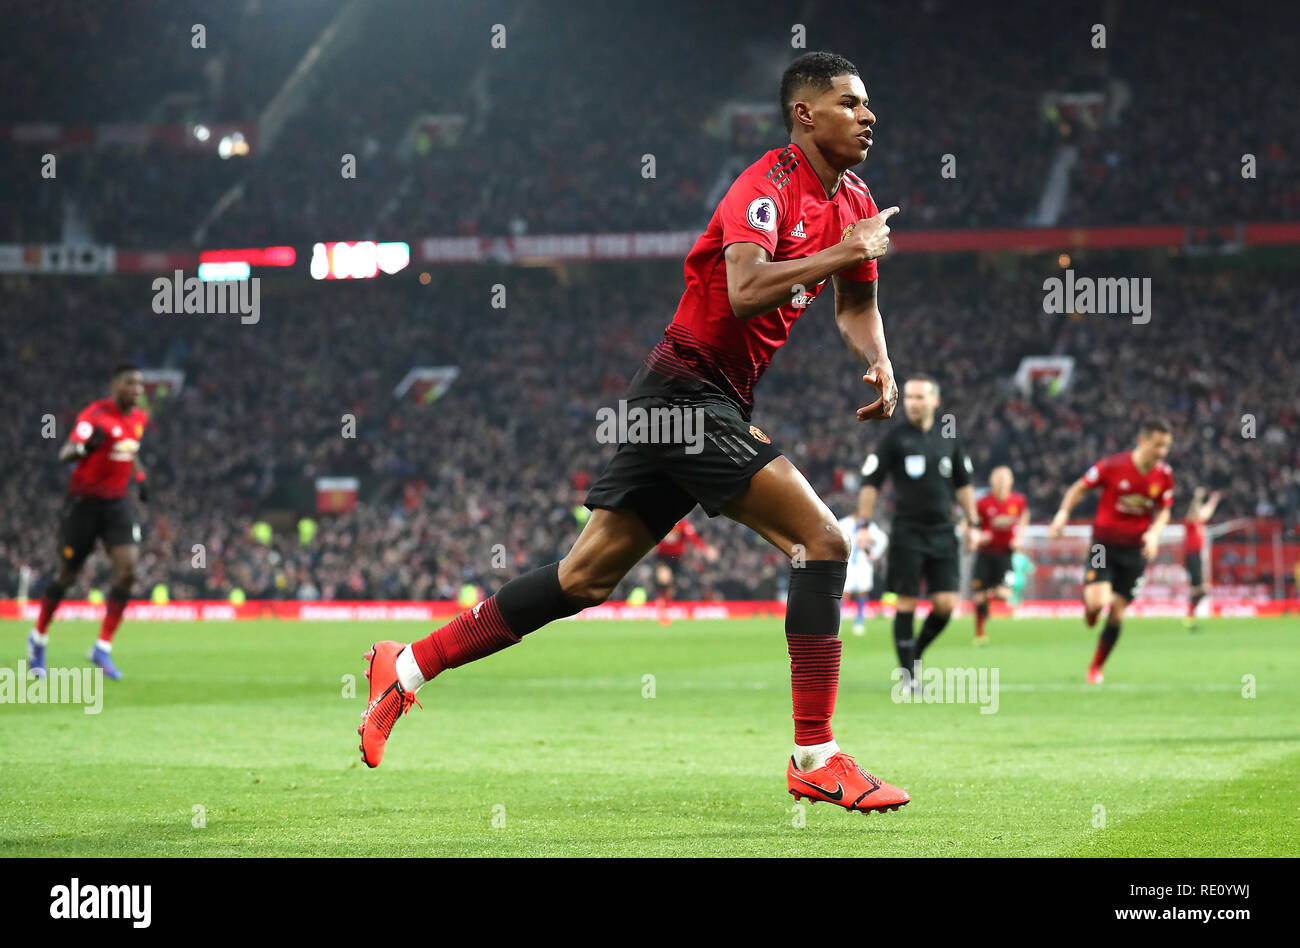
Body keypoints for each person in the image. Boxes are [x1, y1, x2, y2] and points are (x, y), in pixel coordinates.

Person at [357, 52, 911, 813]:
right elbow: (747, 291)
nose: (868, 115)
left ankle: (407, 665)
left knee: (583, 578)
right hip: (685, 393)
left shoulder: (854, 199)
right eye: (850, 103)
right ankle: (816, 755)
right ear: (804, 115)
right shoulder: (765, 188)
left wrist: (879, 361)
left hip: (692, 400)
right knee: (824, 542)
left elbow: (855, 306)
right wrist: (844, 251)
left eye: (868, 103)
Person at [27, 364, 149, 681]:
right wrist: (84, 448)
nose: (136, 389)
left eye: (139, 384)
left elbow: (130, 447)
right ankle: (38, 639)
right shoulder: (94, 416)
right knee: (67, 575)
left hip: (117, 504)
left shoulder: (139, 418)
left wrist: (140, 475)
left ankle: (102, 648)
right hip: (83, 504)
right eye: (130, 383)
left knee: (129, 570)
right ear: (114, 386)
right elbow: (65, 453)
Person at [856, 375, 977, 689]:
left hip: (943, 532)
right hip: (907, 532)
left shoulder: (949, 437)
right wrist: (863, 525)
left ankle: (916, 651)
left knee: (947, 604)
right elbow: (871, 482)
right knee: (907, 602)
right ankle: (909, 676)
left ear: (935, 401)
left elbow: (964, 486)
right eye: (908, 397)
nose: (912, 403)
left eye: (920, 397)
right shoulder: (894, 438)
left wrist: (973, 525)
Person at [1048, 419, 1174, 683]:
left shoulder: (1164, 475)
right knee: (1097, 603)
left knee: (1117, 611)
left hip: (1136, 551)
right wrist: (1062, 514)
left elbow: (1164, 509)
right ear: (1143, 441)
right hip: (1103, 545)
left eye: (1166, 446)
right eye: (1157, 445)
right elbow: (1080, 486)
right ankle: (1090, 609)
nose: (1162, 452)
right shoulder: (1112, 466)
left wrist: (1153, 533)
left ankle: (1095, 667)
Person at [970, 466, 1029, 645]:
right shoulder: (983, 503)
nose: (1002, 481)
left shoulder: (1018, 501)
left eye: (1005, 477)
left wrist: (1019, 537)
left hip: (1005, 555)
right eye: (998, 477)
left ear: (1011, 481)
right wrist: (976, 535)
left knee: (1005, 594)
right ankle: (980, 634)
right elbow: (969, 522)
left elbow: (1024, 516)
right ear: (991, 481)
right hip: (985, 555)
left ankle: (989, 595)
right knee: (979, 598)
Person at [836, 513, 888, 635]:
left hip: (863, 564)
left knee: (862, 592)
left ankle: (859, 622)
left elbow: (882, 540)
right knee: (844, 593)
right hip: (847, 563)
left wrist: (873, 554)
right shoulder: (845, 524)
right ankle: (838, 622)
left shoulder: (871, 527)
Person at [1183, 486, 1221, 631]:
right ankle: (1189, 616)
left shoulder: (1199, 522)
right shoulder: (1190, 523)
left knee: (1200, 590)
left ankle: (1190, 616)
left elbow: (1206, 512)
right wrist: (1197, 498)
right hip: (1192, 557)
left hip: (1197, 557)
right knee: (1200, 589)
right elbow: (1193, 512)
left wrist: (1213, 500)